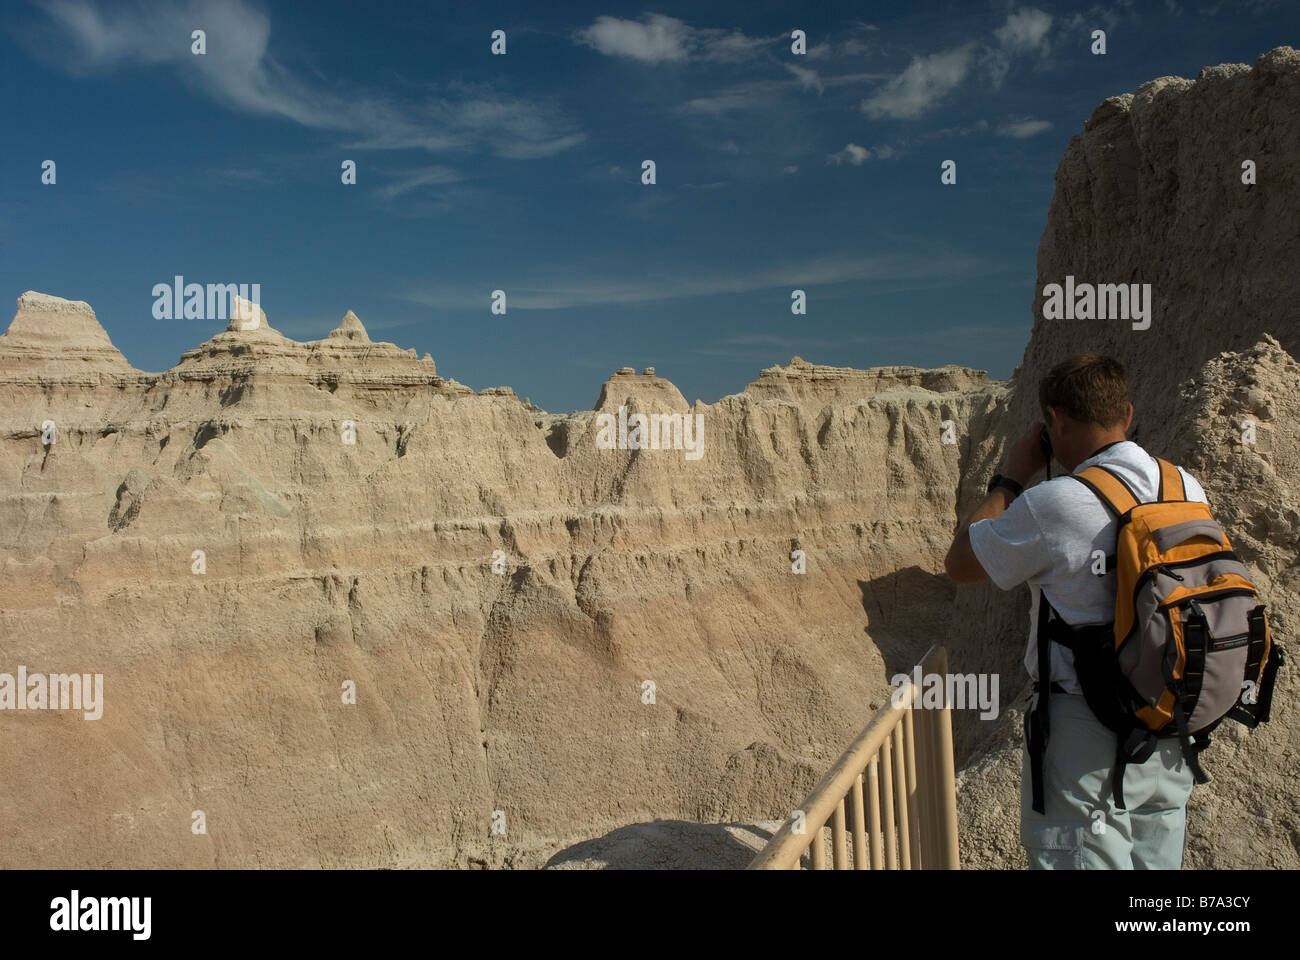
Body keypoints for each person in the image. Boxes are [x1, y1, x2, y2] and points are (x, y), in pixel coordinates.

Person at [943, 354, 1206, 869]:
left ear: (1055, 421)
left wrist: (1011, 478)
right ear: (1126, 414)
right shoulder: (1184, 487)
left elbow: (961, 562)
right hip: (1171, 721)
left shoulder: (1057, 501)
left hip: (1087, 732)